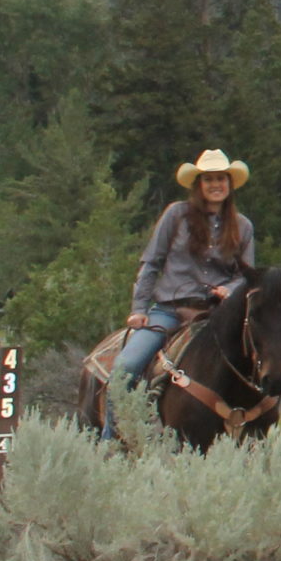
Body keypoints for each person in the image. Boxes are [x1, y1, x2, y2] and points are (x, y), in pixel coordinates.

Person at [110, 149, 256, 437]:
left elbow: (247, 276)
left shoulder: (243, 226)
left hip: (216, 314)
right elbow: (152, 261)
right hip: (170, 311)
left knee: (261, 368)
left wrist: (228, 288)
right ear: (199, 184)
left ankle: (254, 436)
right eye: (209, 179)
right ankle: (111, 440)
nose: (216, 185)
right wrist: (139, 309)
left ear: (230, 184)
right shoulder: (176, 215)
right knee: (125, 368)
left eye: (221, 179)